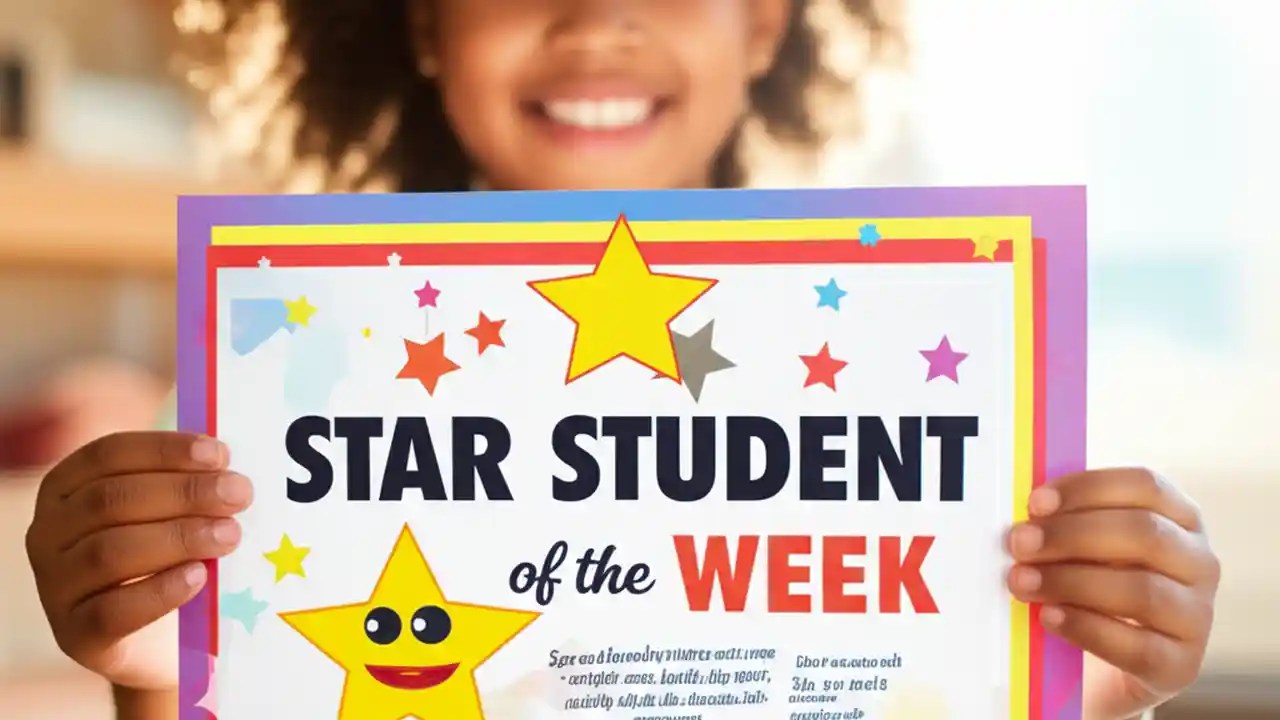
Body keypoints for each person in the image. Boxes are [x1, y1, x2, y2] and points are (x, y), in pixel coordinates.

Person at [20, 1, 1218, 719]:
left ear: (765, 22)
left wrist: (1081, 686)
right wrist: (160, 668)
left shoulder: (922, 368)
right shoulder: (277, 369)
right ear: (424, 23)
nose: (596, 18)